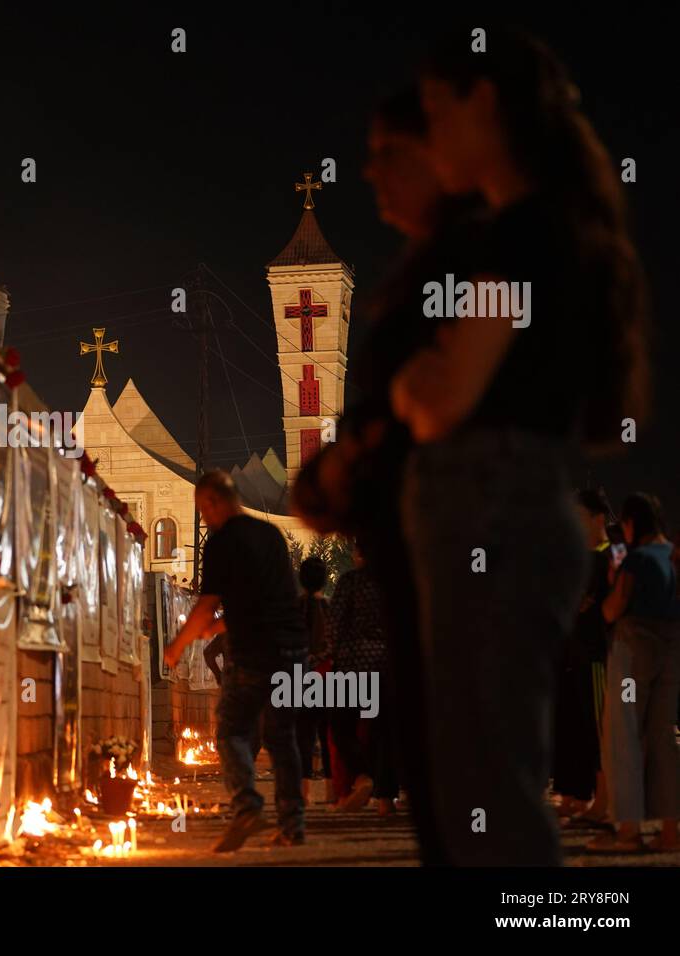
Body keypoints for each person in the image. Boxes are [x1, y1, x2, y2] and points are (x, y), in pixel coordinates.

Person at [389, 29, 649, 865]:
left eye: (436, 113)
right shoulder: (556, 229)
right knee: (489, 784)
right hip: (508, 513)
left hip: (489, 517)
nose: (428, 140)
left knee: (488, 797)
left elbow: (441, 398)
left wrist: (410, 381)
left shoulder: (522, 236)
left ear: (485, 105)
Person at [292, 87, 472, 863]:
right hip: (416, 557)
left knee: (478, 791)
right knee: (440, 791)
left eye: (386, 156)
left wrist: (366, 442)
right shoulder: (430, 262)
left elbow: (447, 397)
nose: (369, 175)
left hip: (462, 549)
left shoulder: (482, 255)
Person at [164, 470, 307, 850]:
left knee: (230, 731)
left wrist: (178, 644)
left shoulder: (223, 541)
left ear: (212, 501)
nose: (204, 519)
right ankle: (292, 826)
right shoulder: (271, 535)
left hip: (254, 653)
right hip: (292, 649)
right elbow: (268, 600)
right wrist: (216, 627)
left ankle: (247, 806)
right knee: (283, 738)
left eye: (202, 510)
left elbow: (207, 602)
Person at [590, 493, 680, 852]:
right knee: (664, 736)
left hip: (633, 653)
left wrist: (613, 579)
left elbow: (613, 611)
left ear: (632, 523)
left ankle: (628, 831)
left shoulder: (634, 558)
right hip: (672, 651)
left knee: (623, 734)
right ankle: (671, 832)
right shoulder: (674, 554)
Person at [553, 488, 614, 822]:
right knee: (573, 725)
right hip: (570, 653)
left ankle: (604, 801)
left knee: (598, 729)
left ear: (598, 518)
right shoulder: (576, 557)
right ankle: (577, 794)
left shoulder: (612, 553)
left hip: (595, 654)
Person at [327, 544, 399, 816]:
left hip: (353, 665)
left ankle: (362, 776)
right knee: (384, 732)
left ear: (359, 555)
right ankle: (386, 800)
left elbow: (334, 624)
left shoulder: (351, 581)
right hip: (387, 665)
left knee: (342, 726)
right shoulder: (394, 583)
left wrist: (336, 652)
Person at [294, 556, 332, 804]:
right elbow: (336, 641)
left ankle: (303, 794)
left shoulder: (293, 607)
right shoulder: (331, 607)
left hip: (298, 676)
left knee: (302, 737)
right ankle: (332, 791)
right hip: (328, 675)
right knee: (328, 735)